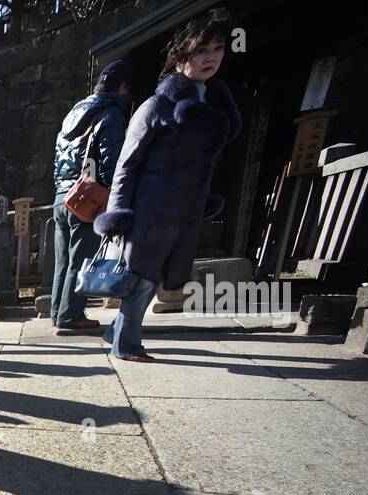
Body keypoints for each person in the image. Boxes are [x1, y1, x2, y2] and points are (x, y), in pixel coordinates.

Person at [94, 7, 242, 361]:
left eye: (217, 48)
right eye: (201, 50)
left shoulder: (216, 109)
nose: (210, 57)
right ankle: (126, 346)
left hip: (185, 210)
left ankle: (116, 331)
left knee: (156, 277)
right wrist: (118, 213)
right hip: (150, 208)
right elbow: (126, 165)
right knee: (142, 276)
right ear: (181, 56)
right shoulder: (156, 106)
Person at [50, 58, 134, 333]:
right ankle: (70, 315)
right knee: (81, 258)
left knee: (63, 261)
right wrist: (113, 197)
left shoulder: (74, 113)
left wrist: (62, 187)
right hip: (86, 198)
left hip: (63, 195)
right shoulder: (111, 114)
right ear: (122, 86)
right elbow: (113, 161)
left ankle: (58, 312)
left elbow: (59, 158)